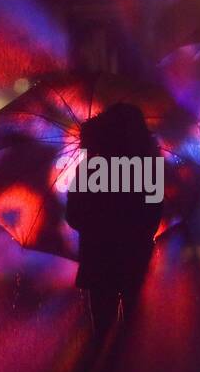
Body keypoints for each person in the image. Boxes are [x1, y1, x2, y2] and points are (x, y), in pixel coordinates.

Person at [65, 103, 163, 334]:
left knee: (101, 327)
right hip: (136, 258)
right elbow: (153, 219)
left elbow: (73, 216)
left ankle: (102, 366)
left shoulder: (89, 168)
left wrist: (97, 228)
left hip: (98, 258)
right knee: (134, 332)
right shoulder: (148, 168)